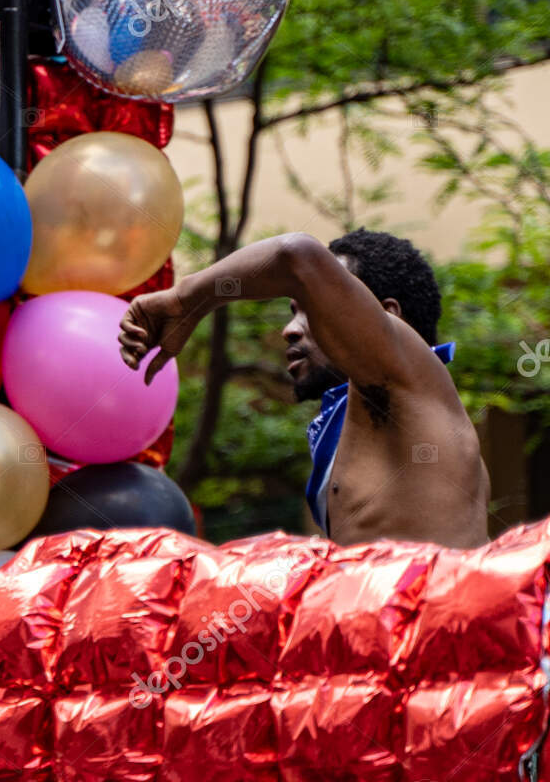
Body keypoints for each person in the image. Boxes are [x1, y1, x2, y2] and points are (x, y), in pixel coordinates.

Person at [119, 228, 489, 548]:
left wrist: (187, 300)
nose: (290, 329)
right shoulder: (357, 414)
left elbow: (297, 256)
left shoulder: (409, 382)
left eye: (311, 310)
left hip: (438, 629)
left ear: (389, 317)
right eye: (292, 311)